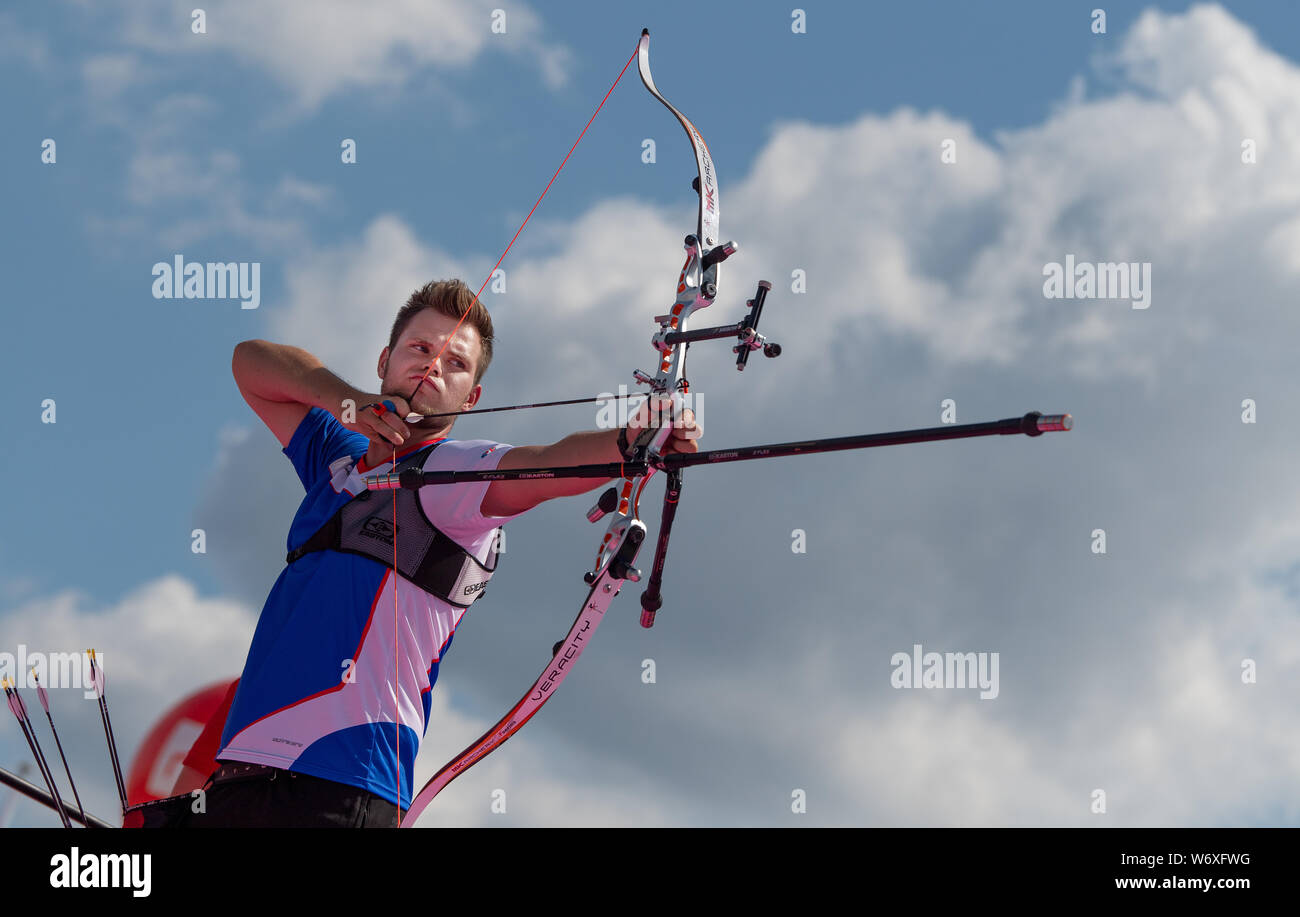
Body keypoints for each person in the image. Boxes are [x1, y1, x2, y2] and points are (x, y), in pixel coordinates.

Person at [179, 279, 700, 827]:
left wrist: (633, 440)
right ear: (386, 357)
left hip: (342, 786)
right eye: (420, 349)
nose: (432, 367)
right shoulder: (337, 458)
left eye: (455, 363)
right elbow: (251, 363)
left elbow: (545, 464)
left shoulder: (453, 476)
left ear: (470, 398)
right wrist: (343, 403)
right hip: (241, 775)